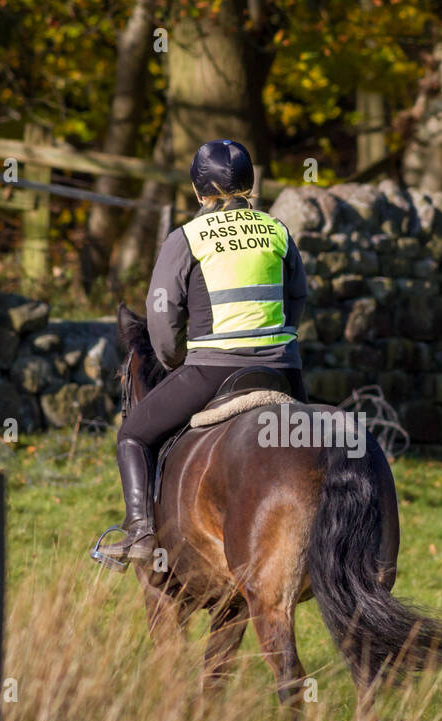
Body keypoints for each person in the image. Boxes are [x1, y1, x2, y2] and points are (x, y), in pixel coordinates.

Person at [99, 138, 309, 563]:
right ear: (251, 185)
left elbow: (160, 317)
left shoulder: (187, 238)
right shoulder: (279, 231)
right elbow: (298, 299)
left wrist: (174, 360)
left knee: (133, 435)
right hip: (284, 371)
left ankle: (139, 531)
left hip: (212, 369)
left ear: (198, 191)